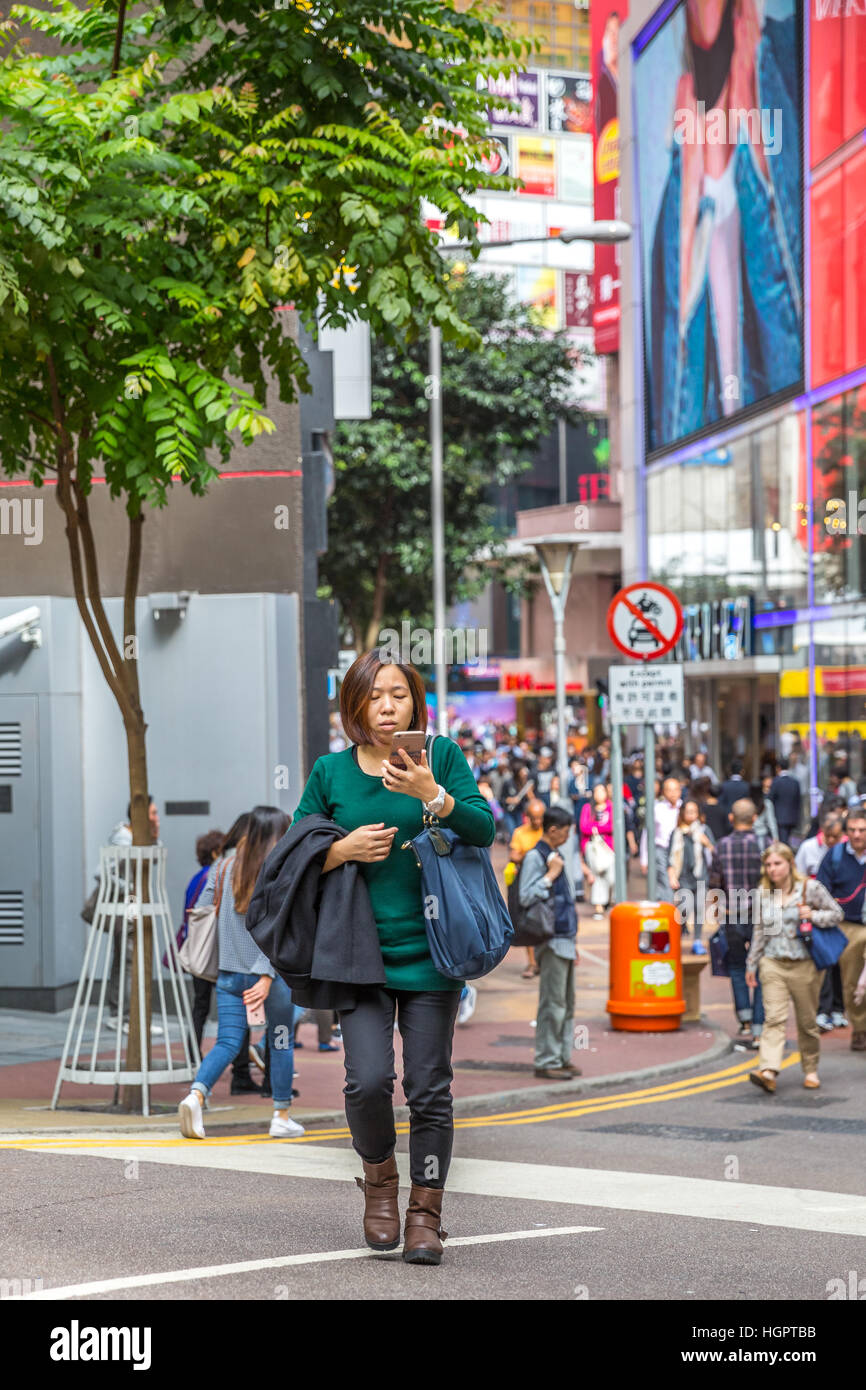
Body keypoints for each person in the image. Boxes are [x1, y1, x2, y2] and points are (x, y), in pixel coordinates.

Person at [290, 650, 495, 1265]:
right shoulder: (331, 772)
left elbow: (482, 828)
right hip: (360, 954)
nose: (387, 705)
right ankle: (379, 1185)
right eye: (374, 695)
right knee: (369, 1080)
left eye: (399, 694)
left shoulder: (444, 757)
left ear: (415, 702)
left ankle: (425, 1215)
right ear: (355, 705)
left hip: (434, 954)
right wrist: (342, 848)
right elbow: (295, 853)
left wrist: (434, 794)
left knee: (429, 1088)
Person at [177, 806, 304, 1140]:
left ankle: (196, 1096)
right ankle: (280, 1115)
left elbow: (202, 909)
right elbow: (280, 926)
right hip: (270, 976)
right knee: (281, 1041)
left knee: (227, 1041)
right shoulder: (277, 871)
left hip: (229, 975)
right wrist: (265, 975)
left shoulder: (221, 868)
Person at [747, 843, 842, 1093]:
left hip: (805, 965)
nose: (772, 869)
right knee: (774, 1018)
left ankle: (810, 1069)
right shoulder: (763, 893)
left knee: (807, 1021)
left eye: (777, 863)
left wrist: (812, 915)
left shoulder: (810, 889)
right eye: (768, 865)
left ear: (790, 863)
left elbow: (836, 914)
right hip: (773, 963)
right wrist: (752, 963)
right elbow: (759, 931)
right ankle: (768, 1069)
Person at [184, 823, 265, 1094]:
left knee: (207, 1015)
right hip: (230, 958)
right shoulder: (234, 871)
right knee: (245, 1027)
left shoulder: (206, 874)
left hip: (210, 956)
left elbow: (196, 911)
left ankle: (195, 1075)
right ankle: (259, 1086)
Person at [518, 806, 580, 1081]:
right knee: (553, 1004)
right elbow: (526, 896)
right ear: (553, 830)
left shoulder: (555, 855)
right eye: (566, 832)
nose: (568, 837)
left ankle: (562, 1056)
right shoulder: (536, 856)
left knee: (566, 1003)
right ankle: (546, 1059)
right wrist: (550, 875)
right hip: (552, 940)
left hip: (564, 937)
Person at [707, 798, 764, 1045]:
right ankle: (760, 1024)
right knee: (762, 969)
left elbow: (715, 883)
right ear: (755, 818)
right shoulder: (764, 844)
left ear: (731, 818)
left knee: (737, 966)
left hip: (732, 914)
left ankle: (745, 1019)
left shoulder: (722, 845)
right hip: (761, 916)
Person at [105, 796, 162, 1032]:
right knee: (129, 959)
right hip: (129, 903)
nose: (157, 818)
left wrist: (154, 837)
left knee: (126, 959)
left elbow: (154, 858)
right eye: (153, 813)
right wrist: (129, 890)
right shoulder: (124, 838)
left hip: (136, 903)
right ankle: (126, 1017)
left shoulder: (138, 838)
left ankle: (122, 1014)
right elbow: (110, 871)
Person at [816, 806, 866, 1052]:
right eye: (853, 830)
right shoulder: (834, 856)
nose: (857, 835)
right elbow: (820, 890)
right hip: (849, 927)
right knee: (852, 982)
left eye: (862, 830)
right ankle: (860, 1028)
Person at [667, 800, 714, 954]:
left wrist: (705, 842)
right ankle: (677, 938)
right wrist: (672, 876)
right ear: (682, 814)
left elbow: (714, 851)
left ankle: (697, 941)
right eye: (688, 811)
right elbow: (670, 858)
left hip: (701, 876)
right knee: (684, 909)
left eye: (694, 811)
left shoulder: (704, 830)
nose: (691, 815)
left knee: (700, 910)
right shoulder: (677, 833)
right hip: (683, 878)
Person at [508, 799, 547, 977]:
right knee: (527, 922)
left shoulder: (547, 831)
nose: (538, 822)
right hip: (526, 881)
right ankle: (532, 962)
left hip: (546, 881)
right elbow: (513, 854)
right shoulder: (520, 832)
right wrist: (530, 858)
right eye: (534, 818)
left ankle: (543, 961)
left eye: (540, 818)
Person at [640, 776, 682, 903]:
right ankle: (667, 911)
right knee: (665, 884)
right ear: (663, 792)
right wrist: (644, 859)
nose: (673, 793)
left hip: (680, 851)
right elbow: (647, 834)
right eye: (669, 790)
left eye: (676, 789)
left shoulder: (686, 808)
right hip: (661, 851)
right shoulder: (657, 808)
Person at [579, 782, 615, 920]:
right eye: (597, 791)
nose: (599, 794)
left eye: (602, 791)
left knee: (611, 876)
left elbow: (612, 826)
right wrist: (600, 827)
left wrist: (595, 828)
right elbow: (584, 827)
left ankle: (610, 900)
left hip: (608, 847)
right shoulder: (588, 808)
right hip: (592, 847)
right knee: (597, 875)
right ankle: (599, 905)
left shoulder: (611, 807)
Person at [768, 757, 802, 846]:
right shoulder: (795, 782)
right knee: (789, 840)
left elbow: (770, 799)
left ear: (778, 767)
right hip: (792, 817)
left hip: (779, 817)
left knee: (783, 842)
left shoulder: (776, 782)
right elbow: (798, 800)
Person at [501, 764, 534, 837]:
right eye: (522, 772)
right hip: (509, 812)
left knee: (520, 833)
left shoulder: (526, 784)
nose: (525, 774)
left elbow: (532, 800)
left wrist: (529, 792)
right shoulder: (508, 783)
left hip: (520, 812)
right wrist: (511, 800)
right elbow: (501, 799)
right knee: (512, 833)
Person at [751, 779, 779, 848]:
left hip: (749, 834)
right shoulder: (767, 803)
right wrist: (775, 837)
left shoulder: (747, 804)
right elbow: (771, 822)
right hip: (762, 834)